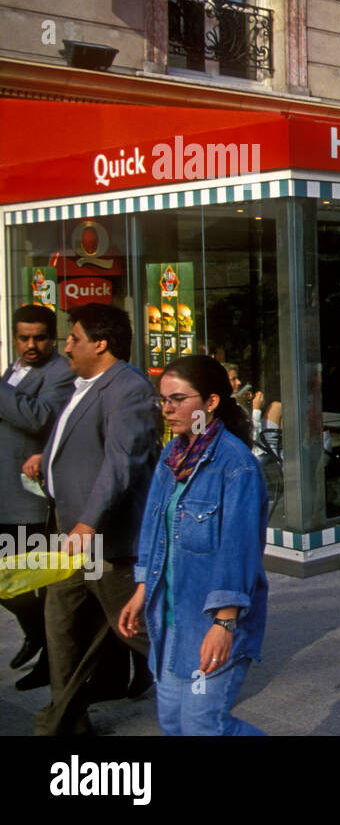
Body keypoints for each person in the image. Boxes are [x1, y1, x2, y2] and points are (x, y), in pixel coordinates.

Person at [21, 303, 160, 736]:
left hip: (102, 539)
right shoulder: (86, 383)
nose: (65, 347)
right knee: (62, 628)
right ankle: (65, 723)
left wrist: (88, 524)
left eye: (73, 338)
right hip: (71, 534)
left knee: (135, 629)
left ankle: (201, 688)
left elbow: (122, 463)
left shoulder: (128, 389)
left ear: (100, 343)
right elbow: (85, 445)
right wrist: (48, 461)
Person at [117, 355, 268, 734]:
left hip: (213, 622)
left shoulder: (237, 467)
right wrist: (140, 590)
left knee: (204, 726)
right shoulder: (171, 455)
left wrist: (224, 622)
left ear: (211, 402)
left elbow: (239, 553)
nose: (167, 409)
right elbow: (154, 528)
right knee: (173, 723)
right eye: (163, 400)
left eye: (178, 399)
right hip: (168, 622)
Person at [0, 305, 76, 691]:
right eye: (24, 337)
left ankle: (49, 655)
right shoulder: (15, 370)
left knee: (34, 582)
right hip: (6, 495)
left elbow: (38, 418)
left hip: (28, 501)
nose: (31, 345)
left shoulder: (60, 372)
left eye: (40, 337)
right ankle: (36, 634)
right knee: (10, 581)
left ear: (54, 337)